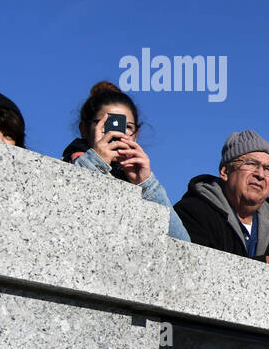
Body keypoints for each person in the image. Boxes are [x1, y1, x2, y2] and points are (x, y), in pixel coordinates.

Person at [174, 130, 269, 273]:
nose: (260, 174)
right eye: (251, 163)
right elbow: (195, 272)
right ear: (225, 172)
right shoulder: (191, 212)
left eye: (268, 169)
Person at [67, 83, 190, 241]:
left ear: (136, 133)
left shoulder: (137, 178)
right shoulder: (71, 165)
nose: (117, 133)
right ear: (84, 129)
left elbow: (182, 244)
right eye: (107, 125)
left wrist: (147, 184)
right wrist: (95, 162)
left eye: (128, 127)